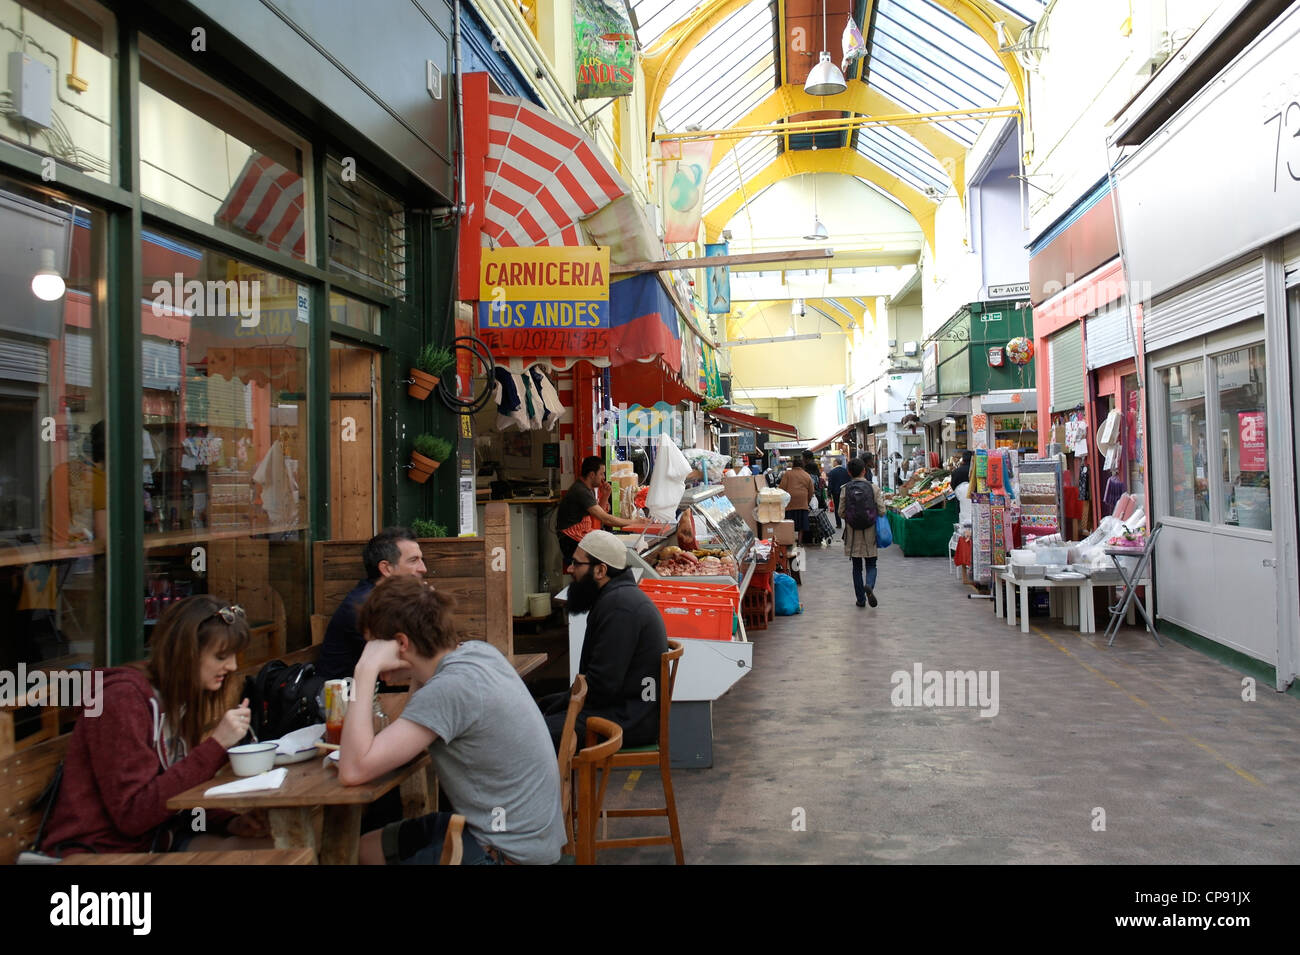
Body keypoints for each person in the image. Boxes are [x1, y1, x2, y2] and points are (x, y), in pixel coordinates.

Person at [348, 576, 565, 865]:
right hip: (517, 833)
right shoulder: (477, 653)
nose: (373, 657)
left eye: (373, 646)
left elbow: (353, 770)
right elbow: (407, 738)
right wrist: (414, 666)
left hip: (505, 853)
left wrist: (365, 669)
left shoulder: (450, 688)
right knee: (366, 849)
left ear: (401, 642)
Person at [40, 596, 270, 856]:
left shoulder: (176, 698)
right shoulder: (121, 700)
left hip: (159, 840)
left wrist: (228, 821)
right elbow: (133, 815)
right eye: (221, 656)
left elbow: (175, 788)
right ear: (185, 653)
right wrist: (215, 746)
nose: (232, 666)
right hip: (101, 853)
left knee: (277, 846)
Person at [537, 529, 668, 751]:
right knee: (541, 709)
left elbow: (601, 686)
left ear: (600, 570)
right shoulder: (617, 598)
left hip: (626, 721)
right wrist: (556, 703)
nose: (569, 569)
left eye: (576, 564)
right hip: (624, 711)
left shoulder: (619, 607)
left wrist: (563, 705)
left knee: (529, 734)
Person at [318, 527, 428, 681]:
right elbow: (408, 656)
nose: (423, 568)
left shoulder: (388, 599)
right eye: (413, 560)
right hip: (339, 700)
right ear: (386, 568)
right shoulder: (365, 605)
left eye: (421, 560)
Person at [556, 455, 635, 569]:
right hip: (571, 542)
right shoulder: (581, 491)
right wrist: (634, 522)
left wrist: (605, 495)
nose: (603, 478)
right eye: (601, 474)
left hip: (581, 537)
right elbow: (605, 518)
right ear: (592, 475)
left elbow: (599, 515)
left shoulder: (588, 489)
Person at [839, 458, 880, 609]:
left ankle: (860, 600)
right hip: (870, 532)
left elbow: (840, 512)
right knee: (871, 564)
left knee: (856, 567)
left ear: (849, 472)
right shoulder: (873, 488)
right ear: (864, 470)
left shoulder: (845, 489)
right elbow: (881, 510)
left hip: (852, 533)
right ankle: (869, 585)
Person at [779, 459, 815, 545]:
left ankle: (790, 540)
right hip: (802, 502)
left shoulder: (788, 474)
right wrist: (807, 501)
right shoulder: (807, 475)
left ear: (793, 465)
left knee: (789, 523)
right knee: (801, 525)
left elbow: (781, 488)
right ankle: (799, 541)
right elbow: (811, 491)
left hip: (789, 502)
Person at [826, 456, 850, 532]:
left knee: (837, 507)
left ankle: (839, 524)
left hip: (836, 492)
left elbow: (830, 483)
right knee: (846, 507)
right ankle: (847, 523)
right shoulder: (846, 471)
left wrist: (829, 493)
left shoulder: (832, 472)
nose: (833, 463)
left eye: (833, 462)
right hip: (846, 491)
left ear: (836, 462)